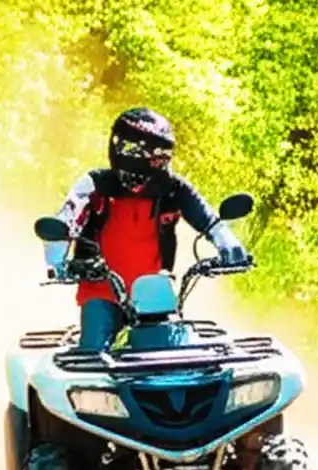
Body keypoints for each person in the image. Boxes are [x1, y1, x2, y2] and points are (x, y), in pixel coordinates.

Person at [43, 107, 251, 352]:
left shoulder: (174, 188)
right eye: (153, 153)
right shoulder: (96, 185)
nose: (156, 161)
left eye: (161, 154)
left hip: (154, 294)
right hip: (100, 289)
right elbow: (67, 218)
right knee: (92, 353)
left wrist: (230, 245)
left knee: (173, 359)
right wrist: (58, 262)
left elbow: (208, 219)